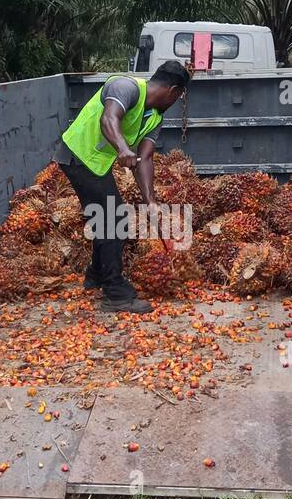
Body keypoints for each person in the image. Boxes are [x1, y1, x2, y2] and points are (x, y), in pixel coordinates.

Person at [56, 60, 191, 312]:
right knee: (114, 218)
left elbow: (145, 159)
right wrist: (122, 148)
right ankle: (115, 294)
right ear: (173, 91)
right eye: (179, 96)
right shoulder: (125, 87)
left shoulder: (155, 118)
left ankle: (96, 274)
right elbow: (108, 119)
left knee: (106, 217)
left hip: (97, 163)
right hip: (78, 155)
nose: (176, 102)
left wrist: (150, 201)